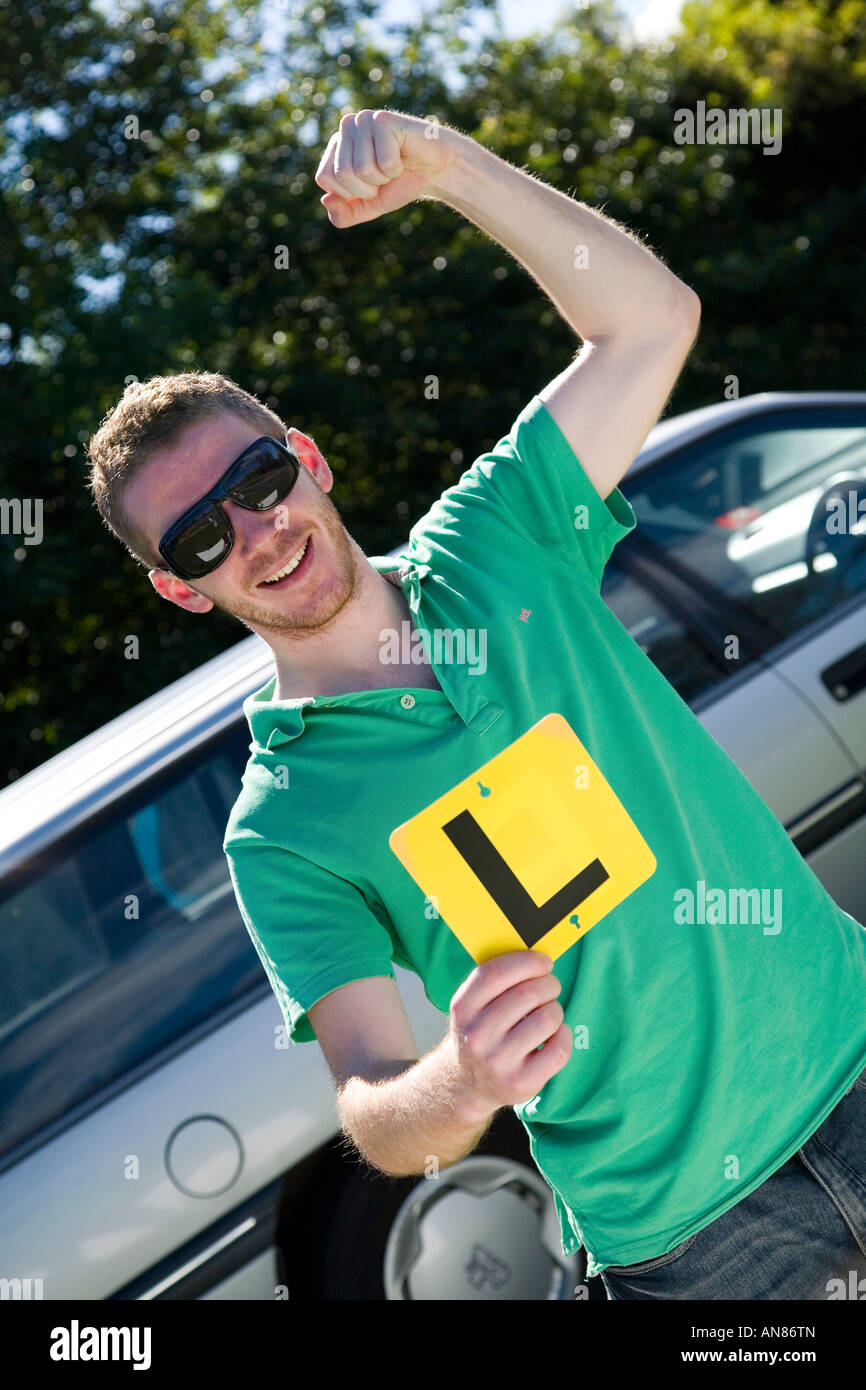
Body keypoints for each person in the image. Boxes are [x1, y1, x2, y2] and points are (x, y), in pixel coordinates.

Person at [85, 109, 866, 1299]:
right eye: (201, 534)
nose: (256, 529)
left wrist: (448, 170)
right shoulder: (279, 828)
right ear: (177, 588)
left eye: (256, 479)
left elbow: (650, 321)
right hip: (690, 1242)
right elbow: (377, 1109)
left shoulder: (494, 540)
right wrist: (457, 1078)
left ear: (305, 456)